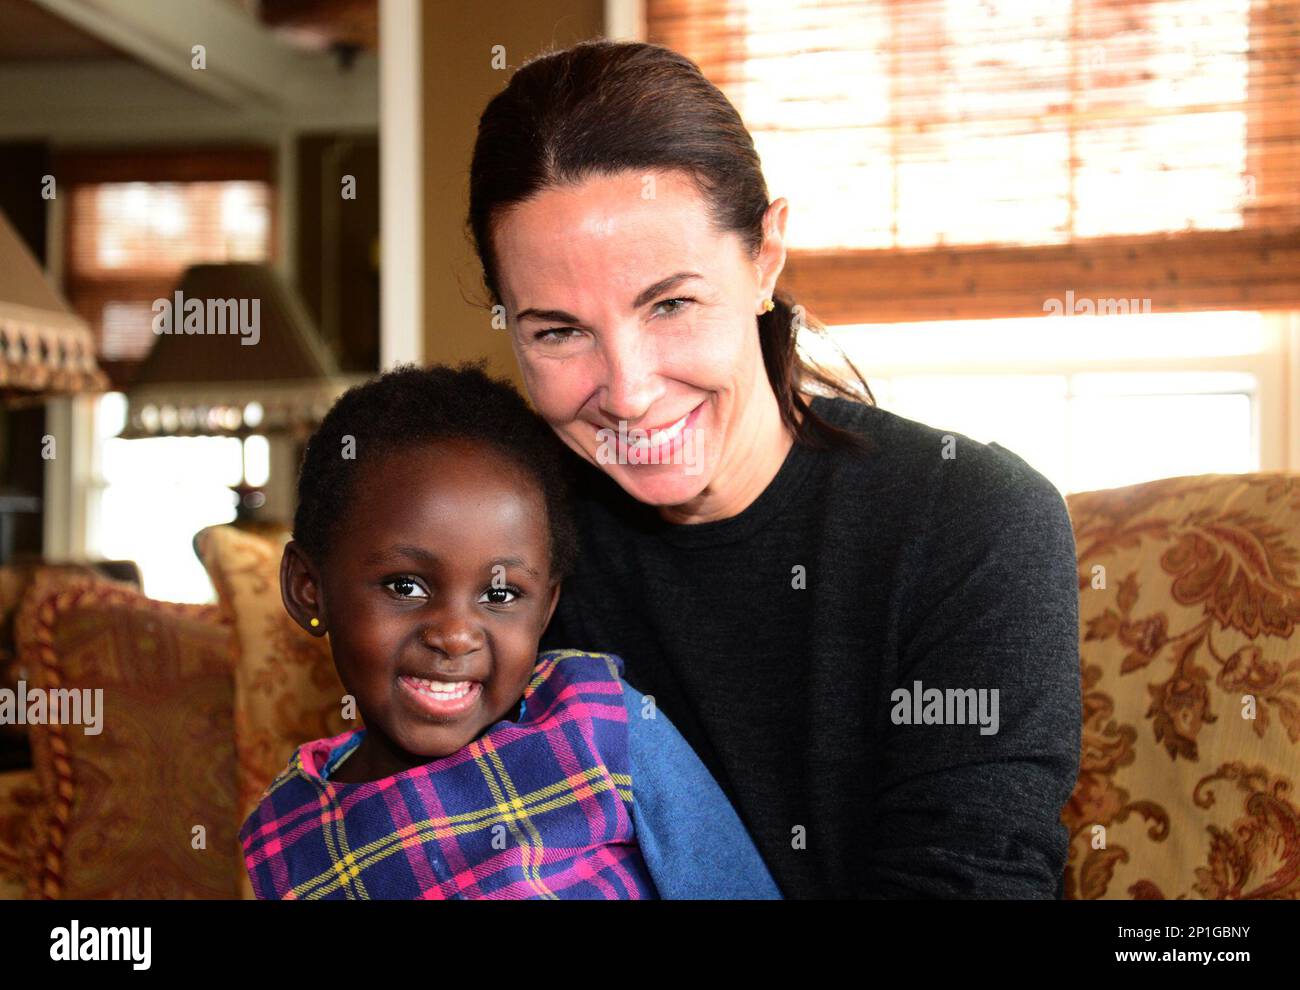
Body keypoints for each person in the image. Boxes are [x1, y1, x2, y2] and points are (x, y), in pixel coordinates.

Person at [466, 40, 1083, 898]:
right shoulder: (503, 543)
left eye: (670, 303)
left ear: (764, 257)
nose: (631, 393)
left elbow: (971, 880)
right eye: (558, 332)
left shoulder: (972, 521)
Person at [238, 364, 781, 899]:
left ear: (545, 609)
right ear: (309, 589)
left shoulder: (599, 721)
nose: (455, 635)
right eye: (406, 587)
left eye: (499, 595)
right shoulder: (288, 832)